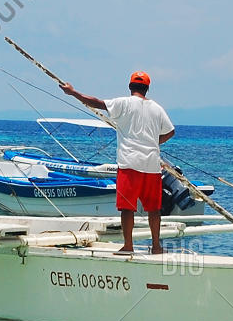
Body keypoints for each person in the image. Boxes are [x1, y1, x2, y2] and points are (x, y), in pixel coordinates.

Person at [59, 70, 174, 254]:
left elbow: (96, 102)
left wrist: (73, 92)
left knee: (127, 207)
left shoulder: (124, 103)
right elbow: (170, 131)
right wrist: (154, 142)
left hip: (130, 164)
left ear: (130, 87)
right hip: (152, 164)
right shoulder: (156, 108)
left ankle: (128, 246)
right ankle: (156, 247)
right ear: (147, 88)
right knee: (154, 209)